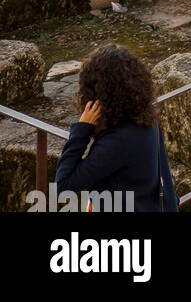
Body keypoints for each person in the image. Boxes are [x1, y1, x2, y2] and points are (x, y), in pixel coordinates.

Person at [55, 45, 178, 212]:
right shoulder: (147, 119)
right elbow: (163, 171)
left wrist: (81, 130)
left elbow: (63, 185)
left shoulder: (117, 142)